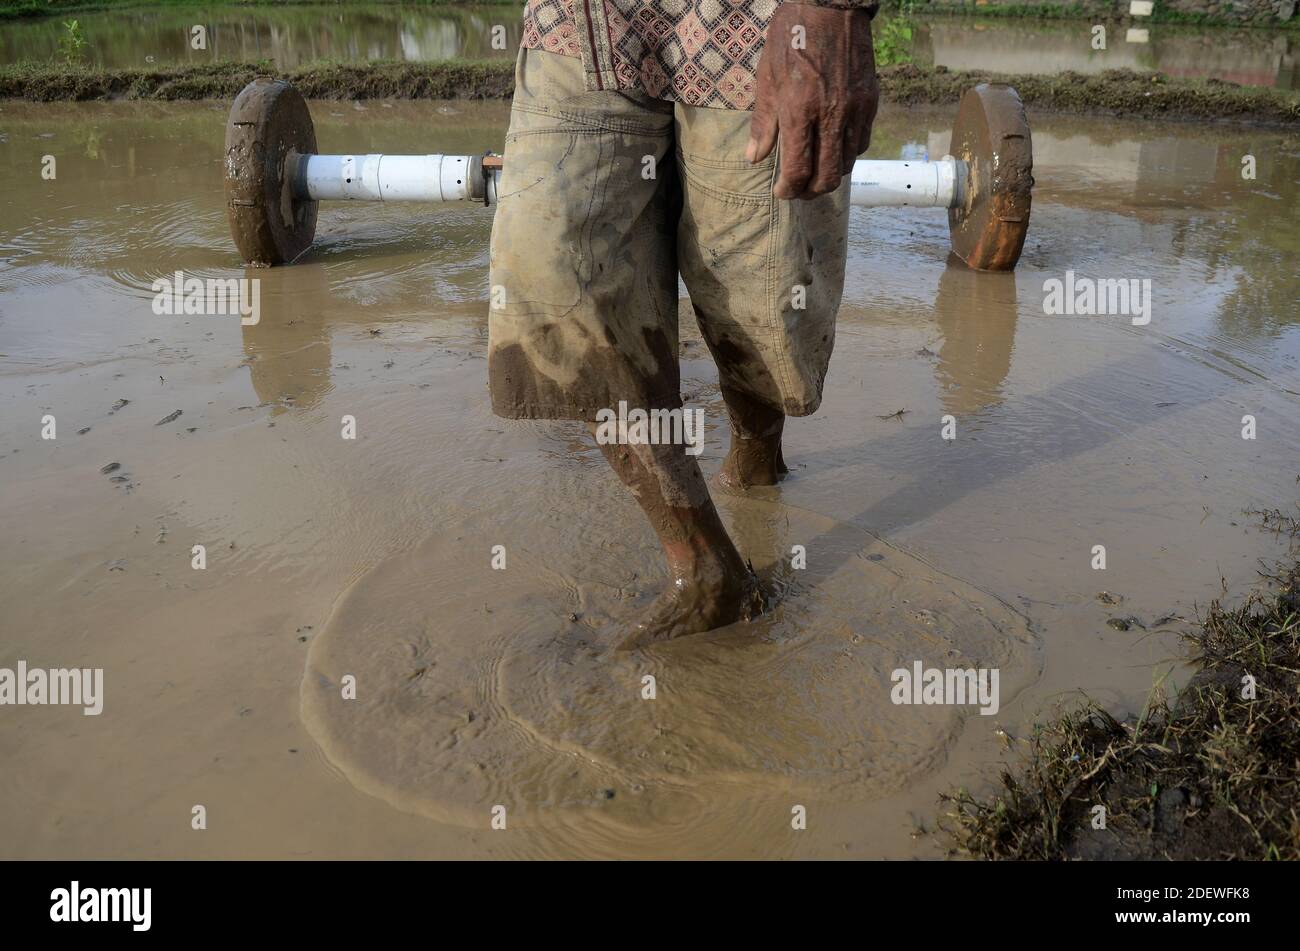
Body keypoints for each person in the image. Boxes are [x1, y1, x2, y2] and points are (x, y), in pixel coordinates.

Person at [488, 1, 881, 648]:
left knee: (761, 293)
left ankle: (757, 459)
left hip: (755, 21)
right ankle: (701, 565)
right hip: (584, 21)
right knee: (557, 275)